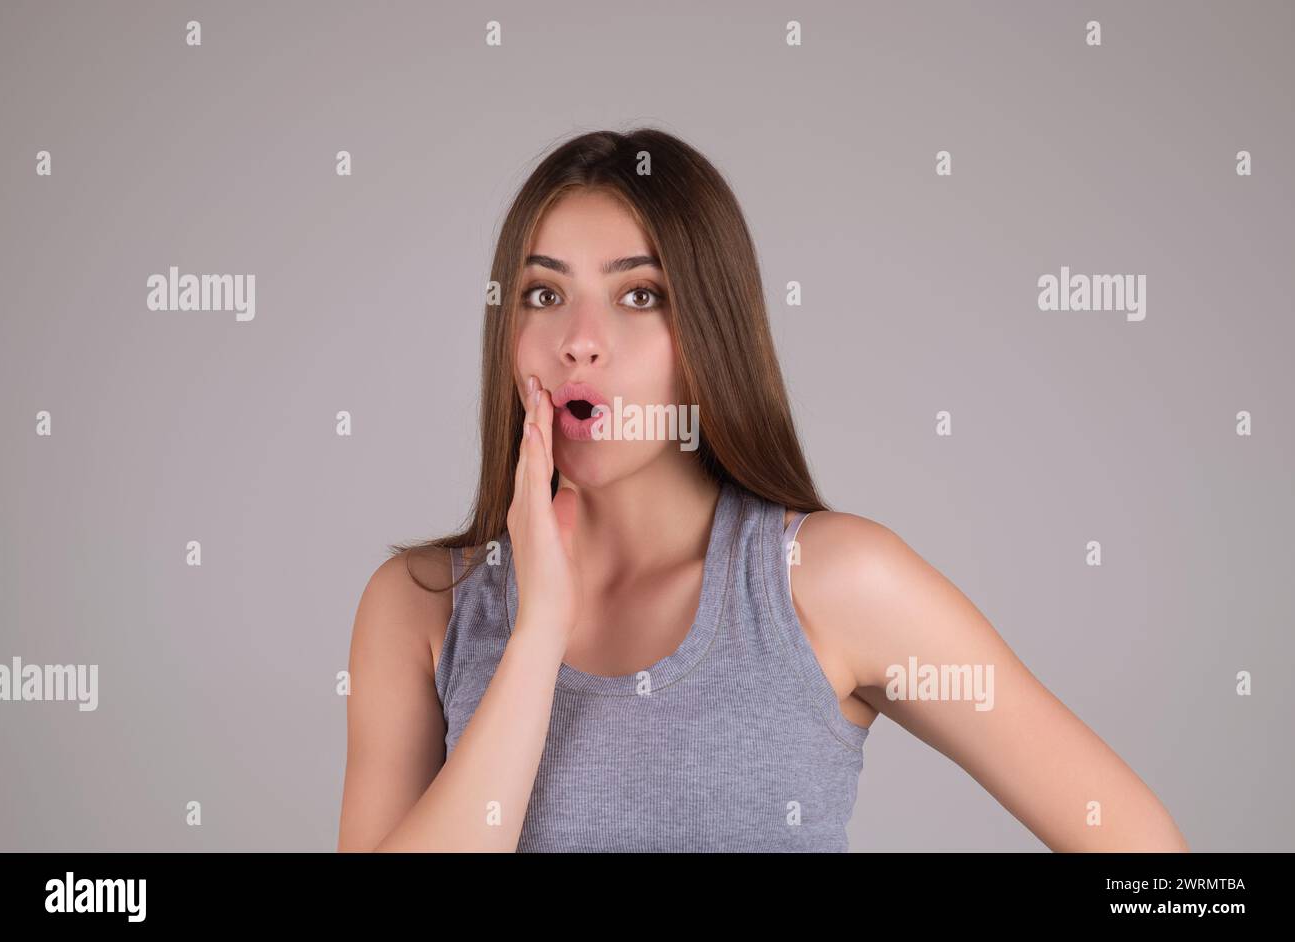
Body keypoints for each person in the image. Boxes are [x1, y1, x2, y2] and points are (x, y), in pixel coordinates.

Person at [336, 127, 1190, 853]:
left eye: (640, 295)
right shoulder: (421, 609)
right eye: (544, 293)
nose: (580, 343)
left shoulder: (827, 582)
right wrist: (538, 632)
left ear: (708, 328)